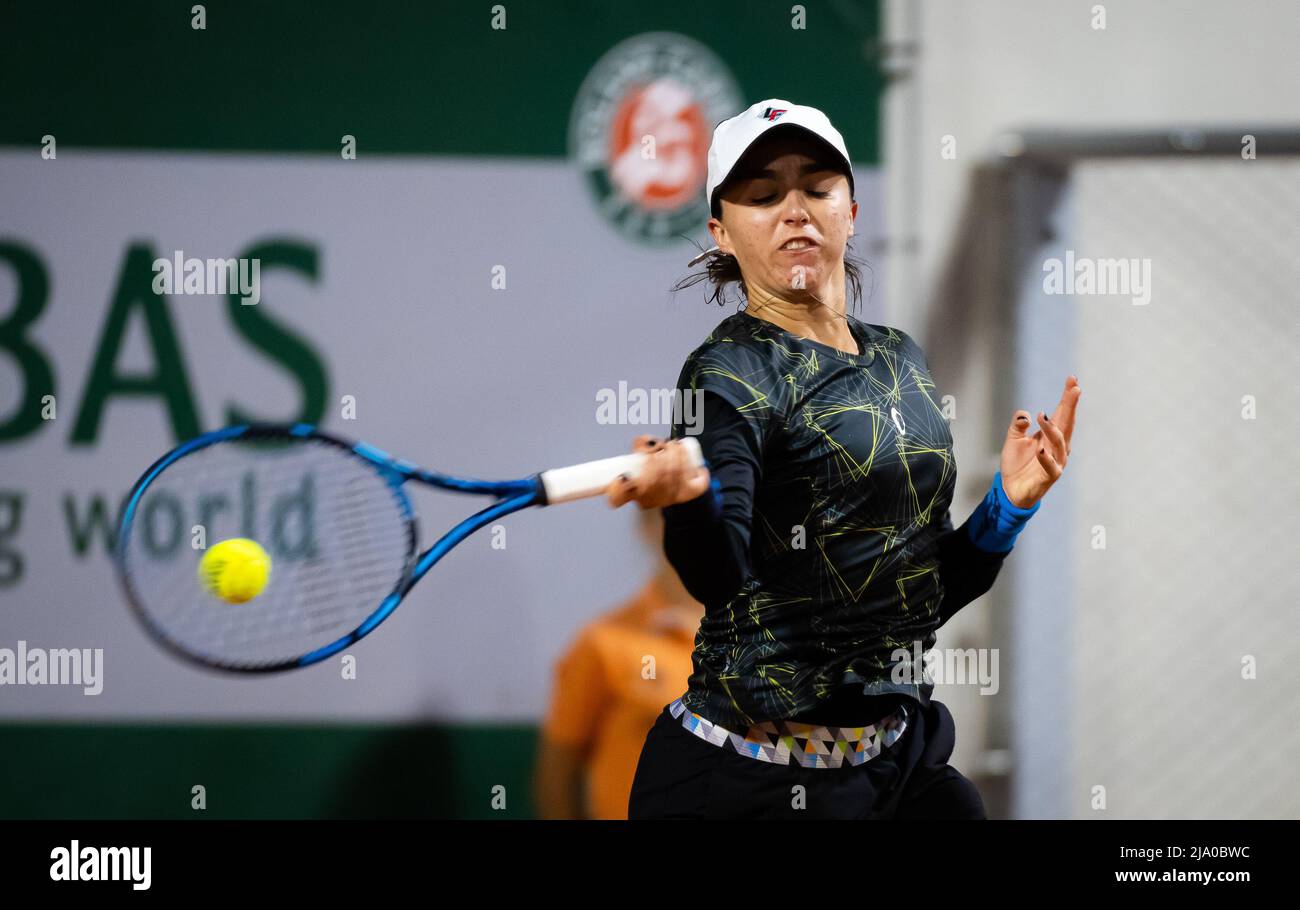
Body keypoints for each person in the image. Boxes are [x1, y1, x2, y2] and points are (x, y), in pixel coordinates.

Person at [605, 99, 1081, 819]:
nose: (794, 209)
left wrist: (1007, 508)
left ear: (850, 212)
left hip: (893, 771)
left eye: (816, 188)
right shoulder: (729, 371)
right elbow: (717, 576)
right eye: (763, 195)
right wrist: (690, 502)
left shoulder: (900, 361)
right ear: (720, 233)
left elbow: (919, 598)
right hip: (742, 788)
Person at [534, 508, 704, 819]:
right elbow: (557, 773)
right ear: (647, 524)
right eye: (679, 512)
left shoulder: (773, 642)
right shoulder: (603, 643)